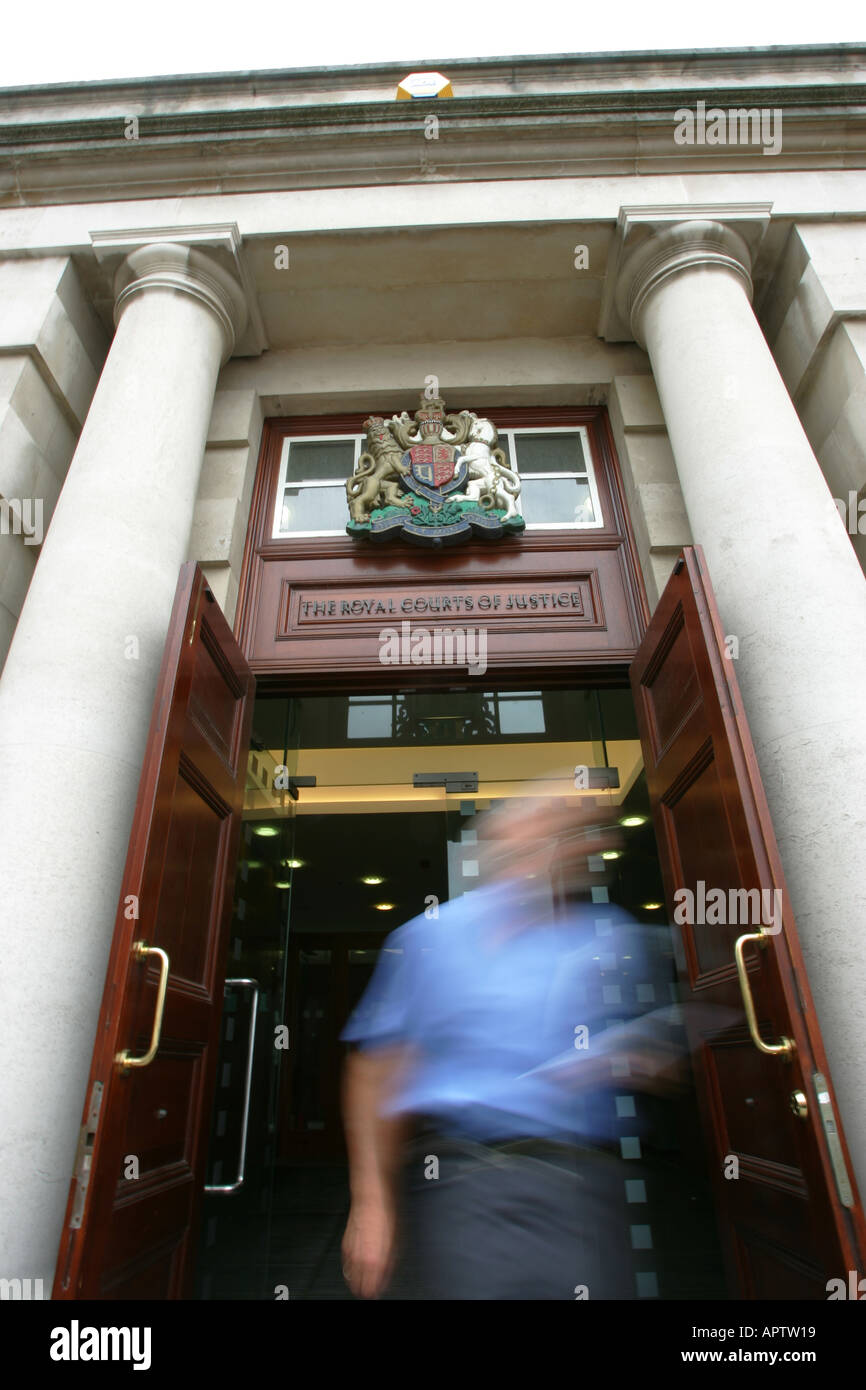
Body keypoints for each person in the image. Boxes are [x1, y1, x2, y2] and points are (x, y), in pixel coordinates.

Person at [339, 796, 691, 1300]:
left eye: (577, 835)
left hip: (587, 1184)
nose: (574, 847)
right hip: (471, 1182)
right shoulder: (433, 939)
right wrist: (372, 1205)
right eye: (546, 833)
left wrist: (638, 1058)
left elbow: (668, 1064)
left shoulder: (612, 936)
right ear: (497, 849)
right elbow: (375, 1072)